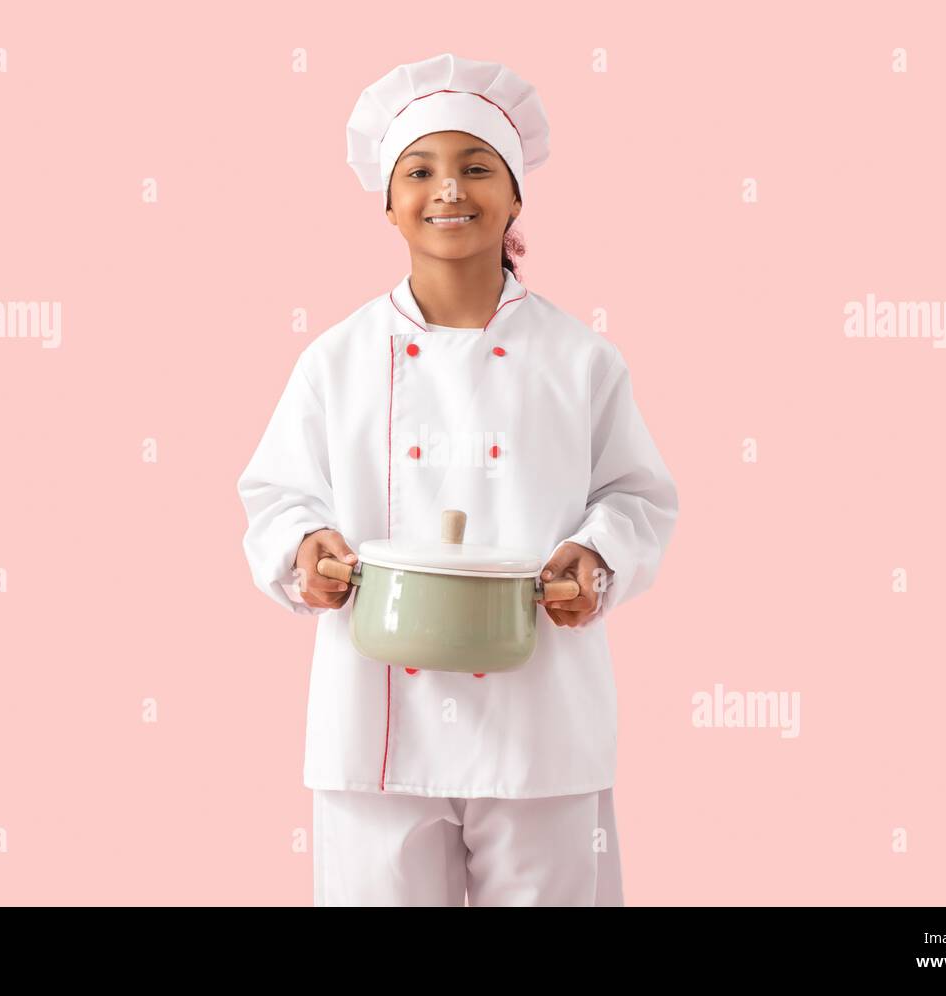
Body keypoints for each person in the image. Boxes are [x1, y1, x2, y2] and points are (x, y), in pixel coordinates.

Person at [237, 52, 679, 906]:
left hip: (539, 714)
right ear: (388, 202)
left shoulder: (579, 358)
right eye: (421, 171)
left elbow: (637, 495)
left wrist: (597, 558)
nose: (450, 189)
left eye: (478, 167)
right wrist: (303, 546)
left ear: (516, 197)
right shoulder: (336, 360)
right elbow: (275, 496)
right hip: (376, 721)